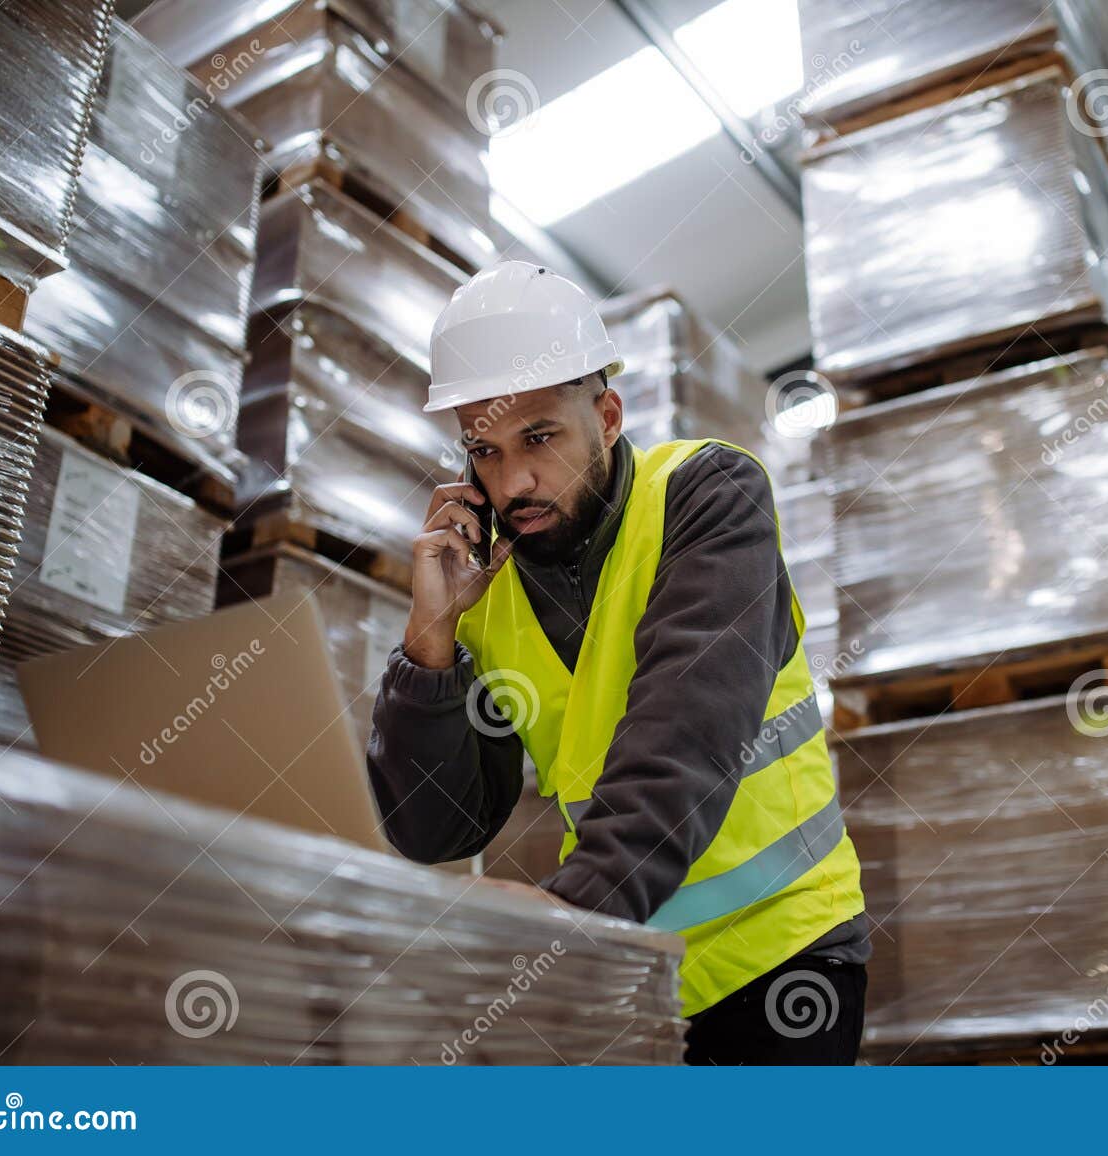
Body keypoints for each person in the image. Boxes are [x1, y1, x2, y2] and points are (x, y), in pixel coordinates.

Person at [367, 262, 868, 1064]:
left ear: (606, 416)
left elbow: (688, 732)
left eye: (539, 438)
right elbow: (440, 828)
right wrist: (428, 645)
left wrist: (573, 917)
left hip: (782, 955)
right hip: (633, 965)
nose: (514, 481)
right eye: (483, 452)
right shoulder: (484, 593)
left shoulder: (707, 496)